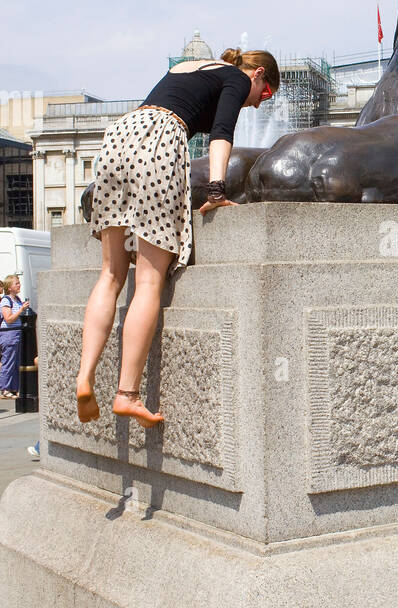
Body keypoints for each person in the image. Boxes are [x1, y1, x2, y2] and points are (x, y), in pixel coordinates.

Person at [76, 46, 280, 428]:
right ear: (257, 75)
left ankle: (84, 376)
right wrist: (217, 192)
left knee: (110, 274)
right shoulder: (235, 77)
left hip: (119, 137)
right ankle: (127, 394)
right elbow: (221, 134)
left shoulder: (193, 68)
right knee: (149, 280)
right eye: (264, 95)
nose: (257, 105)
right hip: (160, 142)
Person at [0, 274, 28, 399]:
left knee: (17, 362)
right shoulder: (7, 300)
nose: (19, 285)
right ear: (9, 287)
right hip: (9, 334)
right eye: (16, 283)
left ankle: (14, 388)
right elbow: (8, 319)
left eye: (19, 283)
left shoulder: (17, 299)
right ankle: (5, 389)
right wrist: (21, 310)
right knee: (8, 361)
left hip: (17, 333)